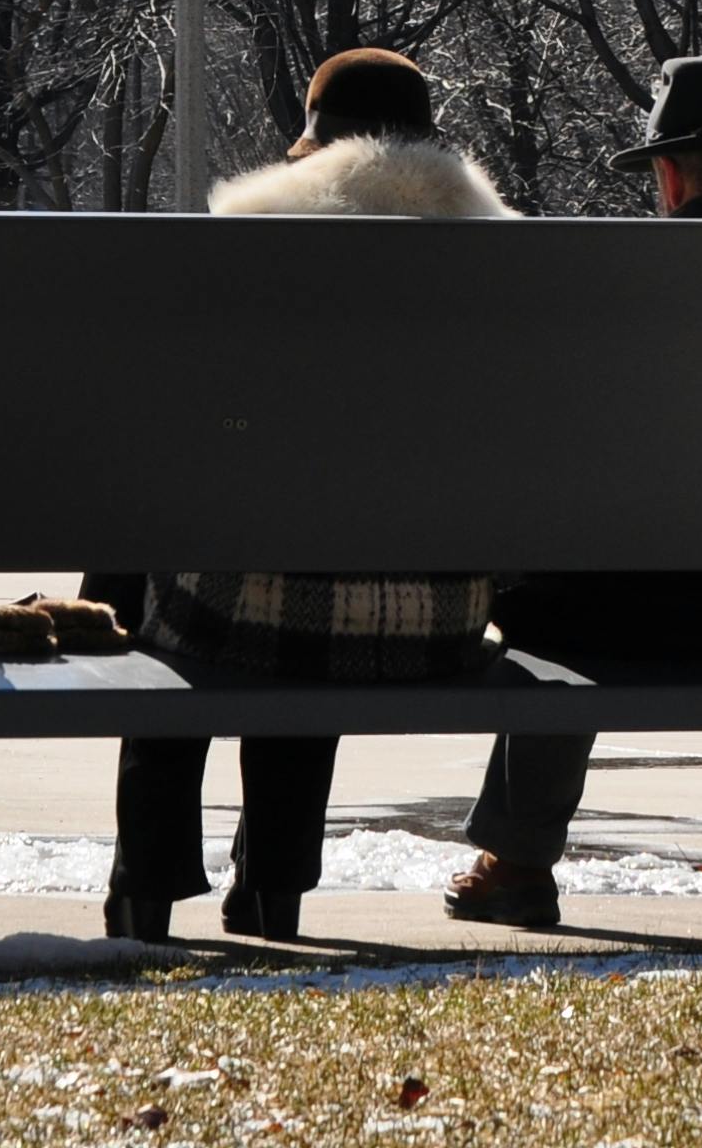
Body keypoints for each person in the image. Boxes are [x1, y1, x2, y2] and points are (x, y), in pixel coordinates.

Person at [105, 46, 512, 944]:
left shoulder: (261, 235)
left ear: (316, 142)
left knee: (207, 577)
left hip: (265, 613)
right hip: (443, 618)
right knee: (323, 551)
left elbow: (185, 420)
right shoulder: (500, 250)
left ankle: (145, 886)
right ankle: (273, 887)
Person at [443, 45, 702, 929]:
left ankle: (518, 860)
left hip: (621, 612)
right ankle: (512, 857)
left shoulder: (629, 279)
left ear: (670, 178)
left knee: (549, 598)